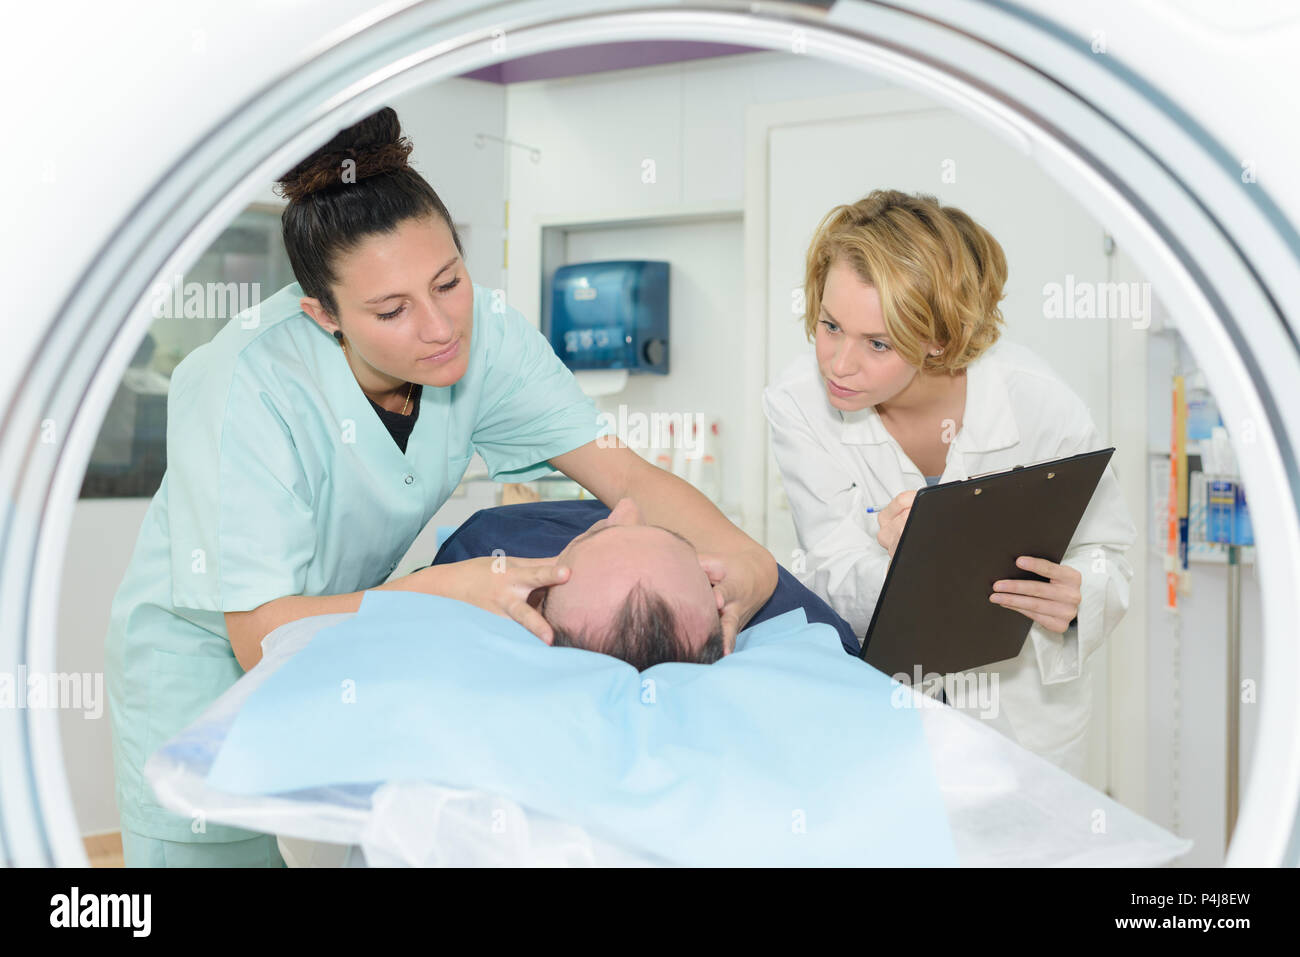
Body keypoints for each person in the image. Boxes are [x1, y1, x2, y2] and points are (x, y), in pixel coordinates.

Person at [105, 106, 777, 867]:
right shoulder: (243, 385)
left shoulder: (485, 336)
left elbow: (625, 476)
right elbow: (258, 632)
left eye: (448, 281)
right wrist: (446, 590)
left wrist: (746, 559)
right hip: (203, 658)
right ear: (322, 314)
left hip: (350, 626)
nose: (439, 327)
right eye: (392, 310)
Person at [762, 189, 1136, 778]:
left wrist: (1080, 592)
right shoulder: (798, 404)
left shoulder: (1037, 402)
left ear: (936, 337)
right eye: (831, 325)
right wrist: (917, 560)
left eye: (877, 343)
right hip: (884, 713)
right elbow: (832, 562)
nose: (838, 364)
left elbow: (1108, 556)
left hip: (1024, 723)